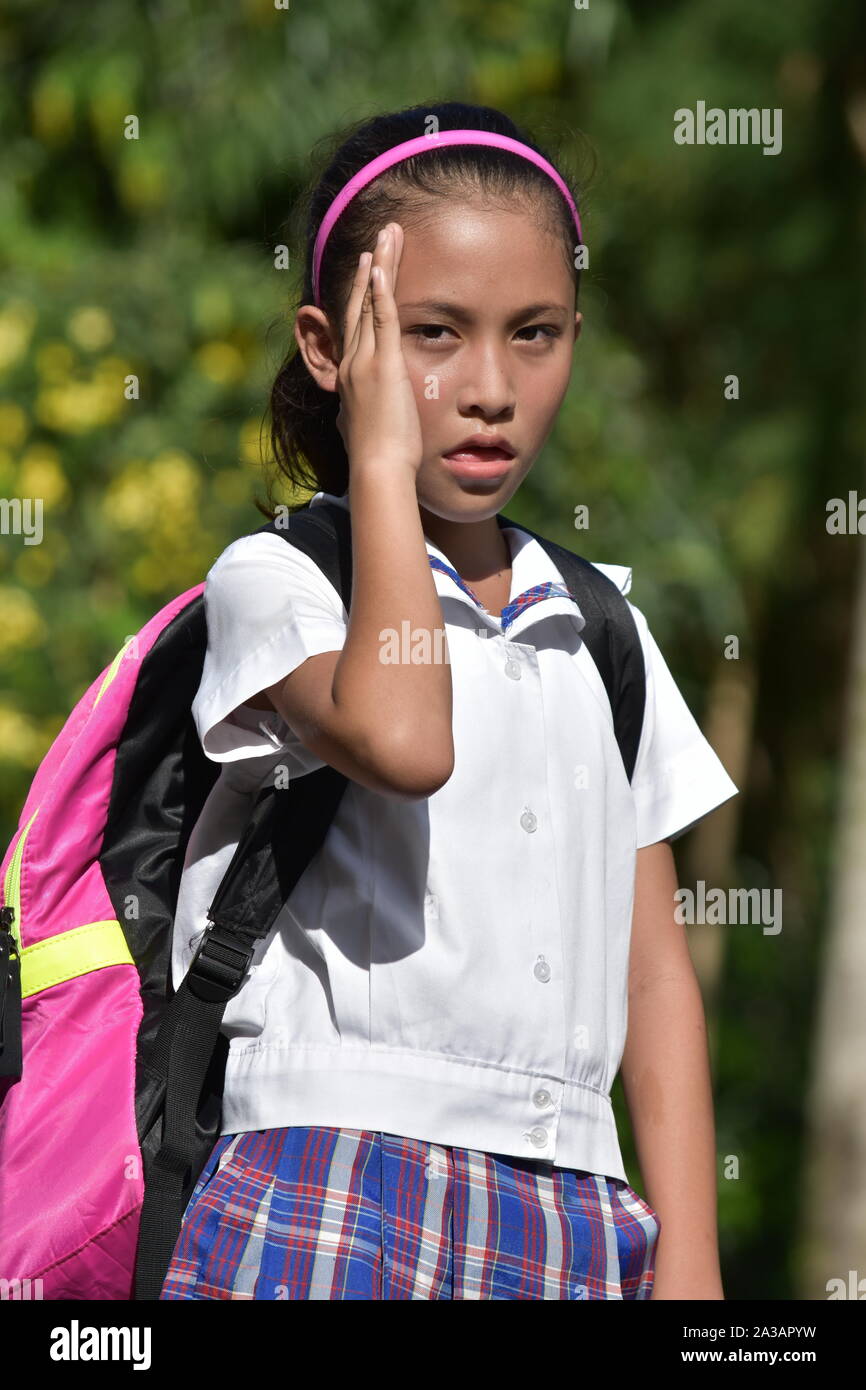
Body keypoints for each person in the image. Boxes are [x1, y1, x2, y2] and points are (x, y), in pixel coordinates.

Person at [159, 100, 738, 1301]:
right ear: (331, 347)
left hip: (575, 1203)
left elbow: (651, 974)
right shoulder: (278, 583)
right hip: (327, 1176)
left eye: (535, 334)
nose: (489, 386)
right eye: (432, 333)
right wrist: (371, 458)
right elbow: (404, 737)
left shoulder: (600, 627)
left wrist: (689, 1267)